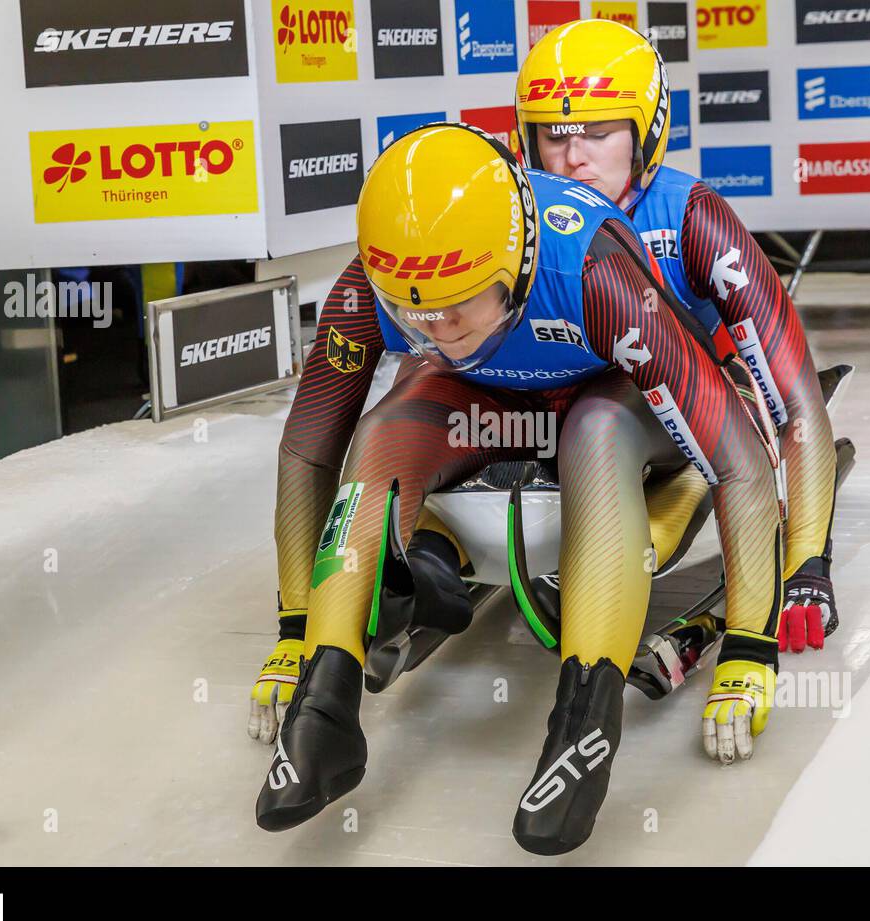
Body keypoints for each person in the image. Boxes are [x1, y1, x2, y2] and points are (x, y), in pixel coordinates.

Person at [254, 123, 784, 854]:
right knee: (378, 436)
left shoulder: (591, 272)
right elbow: (310, 448)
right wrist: (294, 632)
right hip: (490, 397)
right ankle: (325, 703)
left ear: (519, 262)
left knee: (594, 431)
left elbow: (740, 461)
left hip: (615, 391)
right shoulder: (378, 285)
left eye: (457, 305)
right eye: (415, 311)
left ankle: (584, 722)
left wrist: (751, 650)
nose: (436, 325)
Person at [517, 18, 841, 656]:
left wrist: (807, 565)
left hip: (685, 416)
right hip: (549, 414)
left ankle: (680, 500)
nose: (573, 156)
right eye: (553, 136)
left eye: (600, 132)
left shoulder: (689, 213)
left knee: (610, 419)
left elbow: (792, 395)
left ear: (644, 135)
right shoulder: (508, 214)